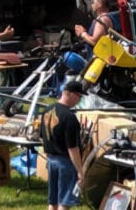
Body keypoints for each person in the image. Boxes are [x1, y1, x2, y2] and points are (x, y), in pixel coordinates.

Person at [40, 80, 86, 210]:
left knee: (53, 201)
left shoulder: (47, 110)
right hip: (65, 162)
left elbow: (41, 137)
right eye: (79, 96)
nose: (79, 100)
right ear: (71, 94)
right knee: (64, 202)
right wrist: (80, 171)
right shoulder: (69, 117)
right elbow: (73, 148)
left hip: (51, 160)